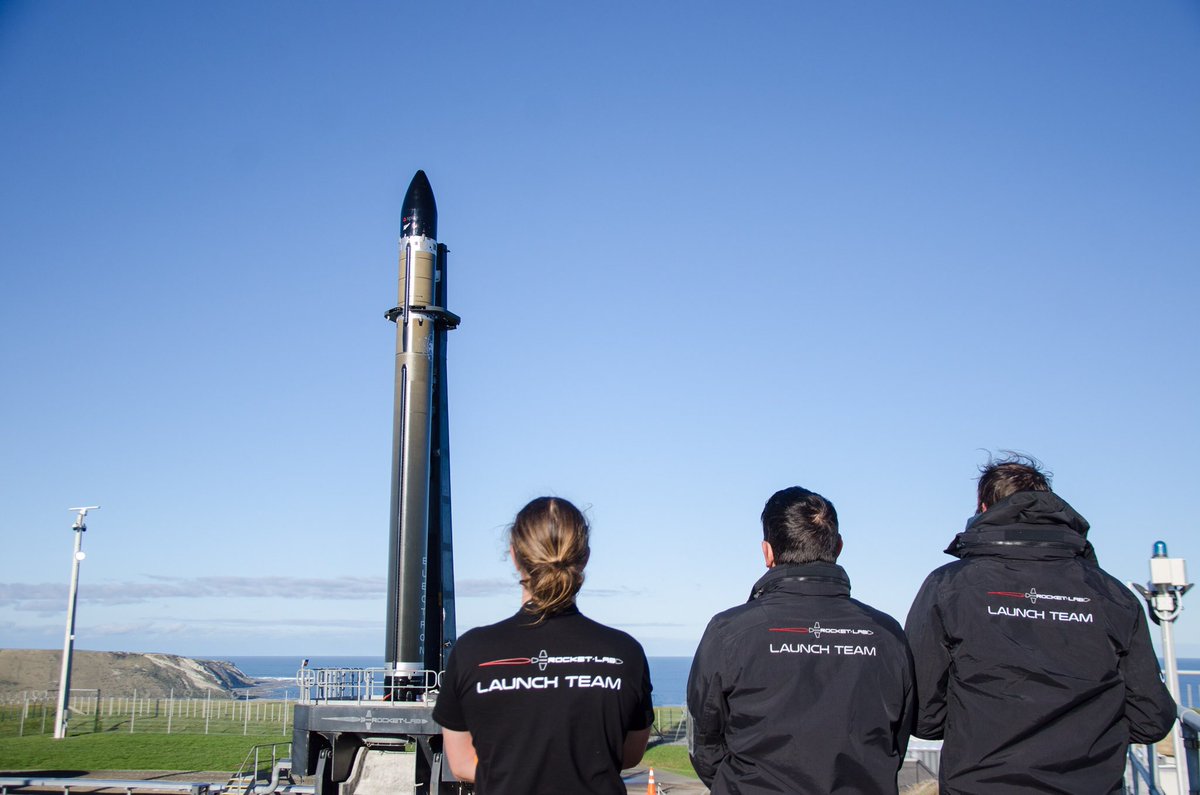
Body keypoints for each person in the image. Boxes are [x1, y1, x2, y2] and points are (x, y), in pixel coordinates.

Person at [905, 453, 1177, 794]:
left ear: (983, 510)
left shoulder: (950, 586)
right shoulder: (1112, 594)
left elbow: (923, 716)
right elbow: (1151, 719)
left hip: (982, 784)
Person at [687, 486, 915, 794]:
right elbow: (897, 739)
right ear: (838, 547)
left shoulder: (730, 632)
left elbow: (703, 740)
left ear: (767, 552)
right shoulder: (887, 634)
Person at [432, 496, 654, 794]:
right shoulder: (624, 653)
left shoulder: (473, 651)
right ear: (585, 557)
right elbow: (628, 754)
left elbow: (460, 762)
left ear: (514, 555)